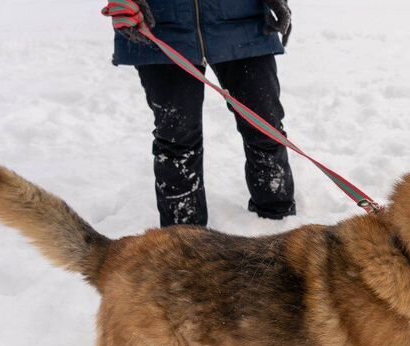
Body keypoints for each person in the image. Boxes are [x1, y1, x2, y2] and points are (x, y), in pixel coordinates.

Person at [112, 0, 295, 226]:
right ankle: (184, 243)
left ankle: (279, 224)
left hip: (243, 20)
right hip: (161, 24)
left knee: (265, 127)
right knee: (177, 140)